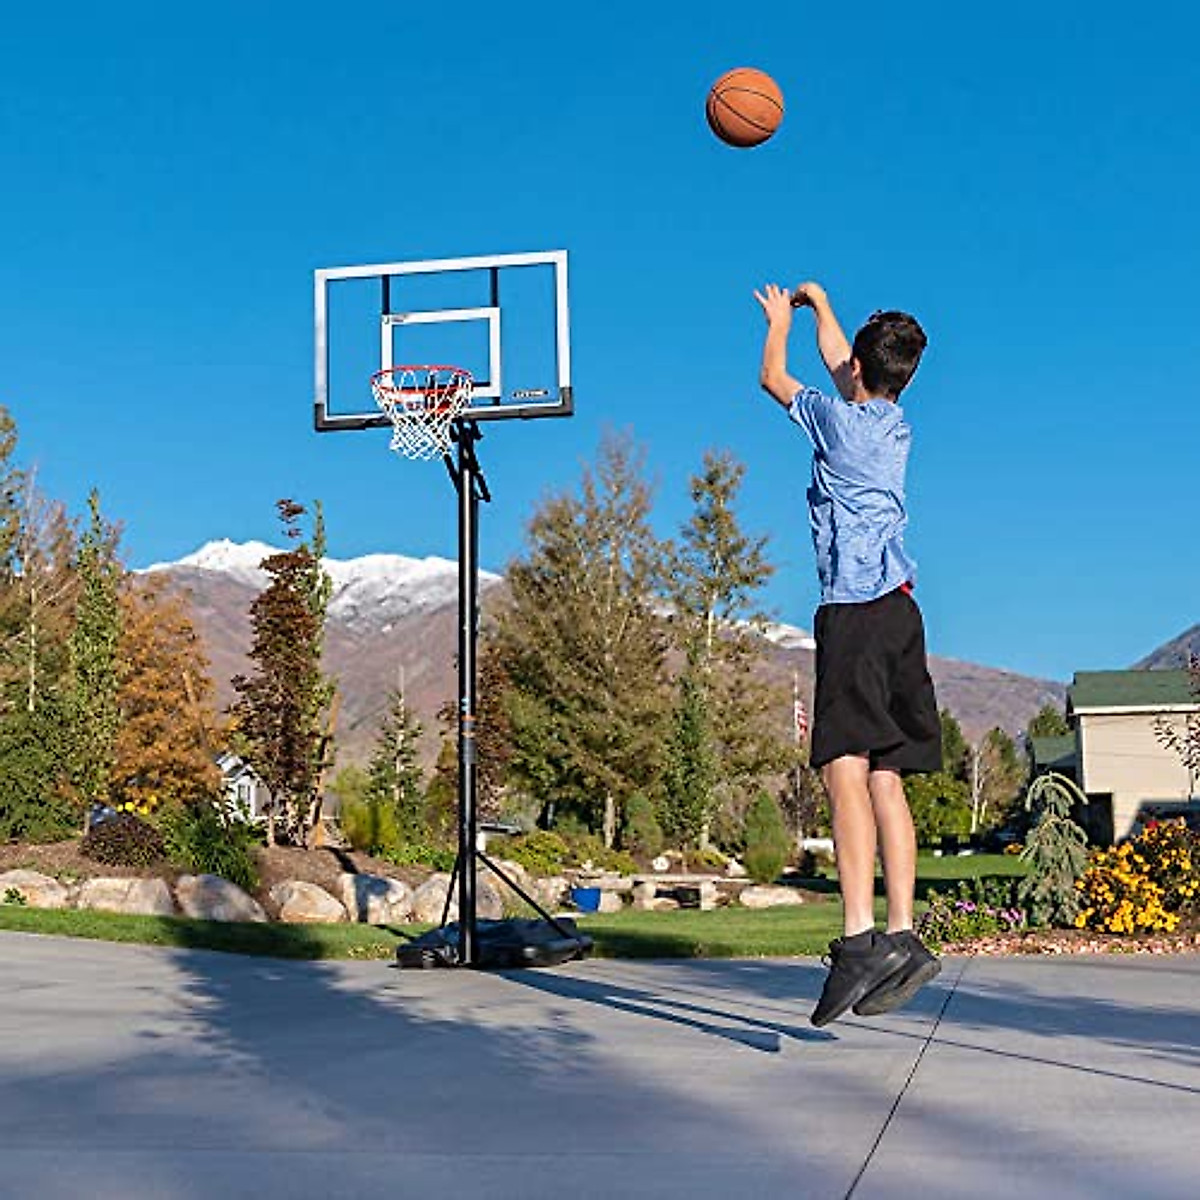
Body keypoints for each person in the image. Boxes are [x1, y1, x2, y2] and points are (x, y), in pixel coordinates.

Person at [755, 281, 943, 1027]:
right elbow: (843, 366)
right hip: (901, 612)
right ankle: (903, 934)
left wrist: (778, 324)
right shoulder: (890, 422)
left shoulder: (839, 425)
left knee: (843, 766)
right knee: (887, 778)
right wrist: (822, 307)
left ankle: (857, 940)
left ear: (860, 372)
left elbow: (775, 379)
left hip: (856, 613)